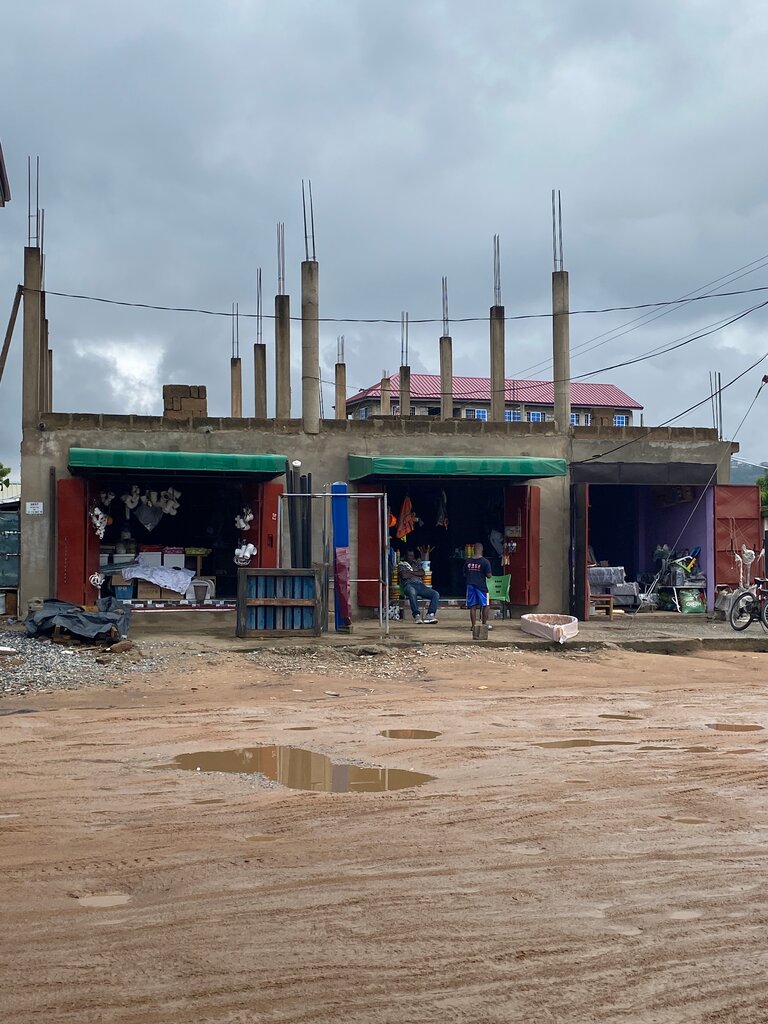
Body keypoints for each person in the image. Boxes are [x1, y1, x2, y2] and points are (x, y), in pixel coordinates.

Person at [398, 550, 439, 624]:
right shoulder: (401, 565)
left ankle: (430, 615)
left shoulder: (416, 564)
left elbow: (422, 573)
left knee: (435, 594)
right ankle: (417, 615)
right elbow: (404, 576)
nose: (410, 557)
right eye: (409, 555)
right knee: (412, 592)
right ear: (405, 556)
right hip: (409, 585)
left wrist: (410, 572)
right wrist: (416, 573)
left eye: (412, 556)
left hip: (420, 585)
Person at [464, 542, 492, 630]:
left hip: (470, 585)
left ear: (473, 550)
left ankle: (473, 626)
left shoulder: (468, 561)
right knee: (486, 605)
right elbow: (489, 575)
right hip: (482, 587)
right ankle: (484, 625)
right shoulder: (485, 562)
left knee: (473, 606)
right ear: (482, 550)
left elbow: (465, 574)